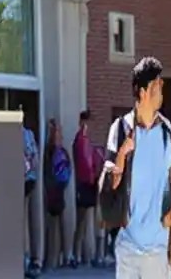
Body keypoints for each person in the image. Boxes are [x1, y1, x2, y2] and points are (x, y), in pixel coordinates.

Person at [99, 56, 171, 278]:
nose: (162, 89)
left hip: (157, 252)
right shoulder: (120, 129)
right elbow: (108, 184)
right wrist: (121, 155)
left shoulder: (168, 134)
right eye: (157, 85)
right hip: (128, 247)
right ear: (143, 92)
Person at [72, 110, 99, 268]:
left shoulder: (86, 140)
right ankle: (76, 254)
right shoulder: (80, 140)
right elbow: (83, 163)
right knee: (81, 220)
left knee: (87, 220)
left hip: (89, 182)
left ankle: (85, 254)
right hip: (84, 183)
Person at [44, 118, 72, 270]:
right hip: (58, 189)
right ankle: (61, 257)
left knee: (55, 225)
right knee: (59, 224)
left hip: (54, 189)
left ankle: (55, 259)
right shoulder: (59, 152)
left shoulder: (53, 152)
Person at [22, 112, 42, 278]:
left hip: (20, 180)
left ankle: (26, 259)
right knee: (29, 220)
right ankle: (33, 257)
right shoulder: (29, 134)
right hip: (31, 179)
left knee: (21, 222)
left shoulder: (14, 134)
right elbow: (35, 159)